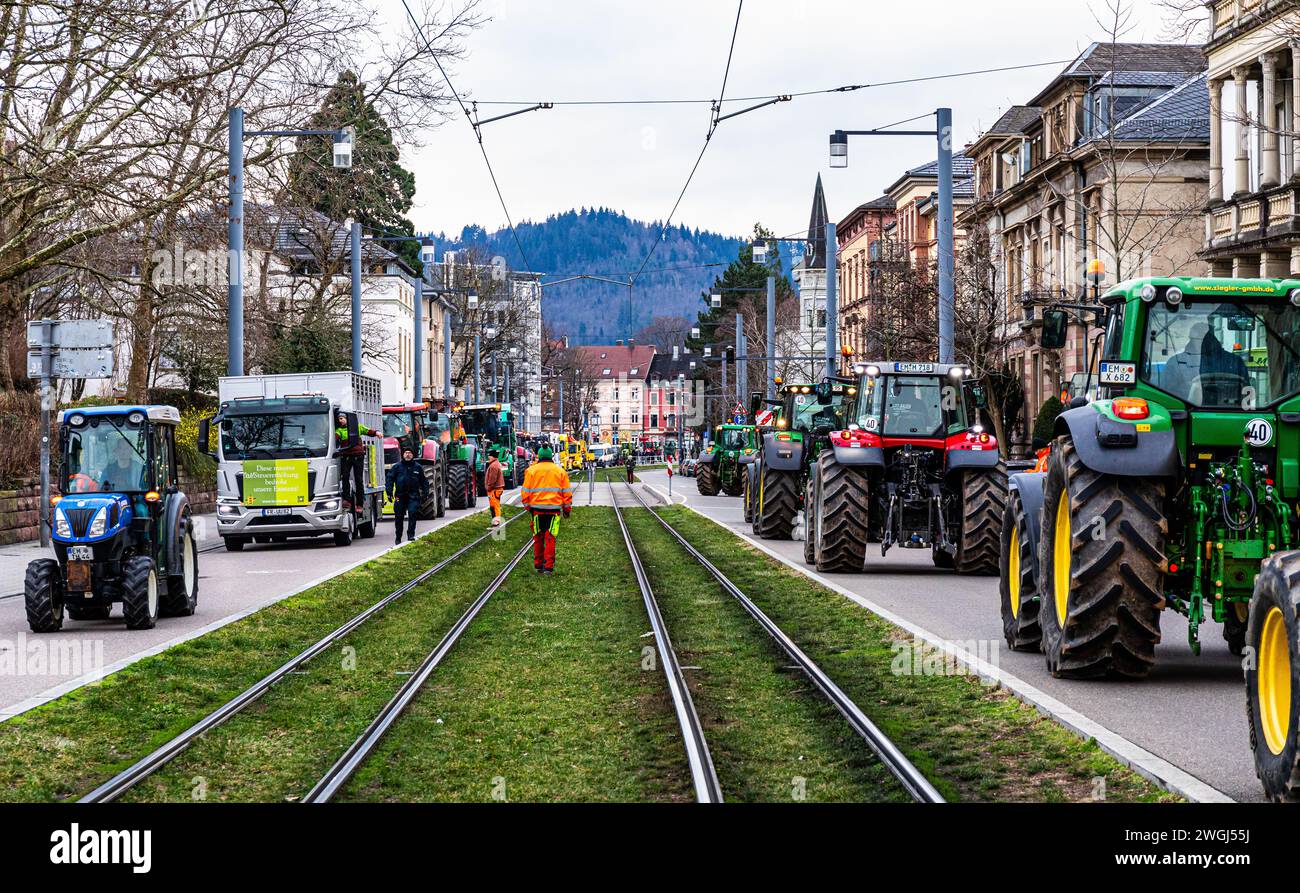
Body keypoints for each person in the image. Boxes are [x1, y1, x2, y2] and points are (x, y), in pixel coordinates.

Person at [1158, 321, 1249, 406]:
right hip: (1186, 412)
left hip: (1230, 412)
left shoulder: (1234, 361)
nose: (1202, 342)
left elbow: (1247, 393)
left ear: (1212, 337)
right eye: (1197, 339)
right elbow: (1165, 395)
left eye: (1204, 337)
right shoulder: (1176, 363)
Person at [520, 445, 572, 575]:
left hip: (536, 510)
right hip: (554, 511)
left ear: (539, 456)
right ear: (551, 456)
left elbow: (525, 492)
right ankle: (548, 567)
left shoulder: (531, 471)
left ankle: (538, 565)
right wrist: (567, 510)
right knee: (550, 537)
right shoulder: (560, 471)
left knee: (538, 537)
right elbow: (566, 493)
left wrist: (528, 507)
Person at [386, 447, 428, 544]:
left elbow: (424, 481)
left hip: (413, 496)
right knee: (399, 517)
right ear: (403, 455)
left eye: (410, 453)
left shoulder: (418, 467)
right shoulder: (397, 467)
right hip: (400, 496)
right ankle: (398, 537)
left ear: (413, 455)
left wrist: (425, 493)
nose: (408, 454)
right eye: (406, 453)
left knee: (413, 513)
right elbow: (389, 479)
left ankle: (410, 535)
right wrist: (389, 492)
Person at [335, 412, 376, 511]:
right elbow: (335, 438)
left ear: (347, 419)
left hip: (358, 456)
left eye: (342, 418)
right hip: (346, 456)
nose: (340, 421)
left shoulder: (357, 427)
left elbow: (368, 431)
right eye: (339, 419)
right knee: (345, 477)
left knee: (358, 479)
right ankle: (347, 500)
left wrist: (376, 433)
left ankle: (360, 504)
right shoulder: (339, 431)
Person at [484, 449, 506, 527]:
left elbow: (492, 479)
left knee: (495, 506)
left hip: (494, 489)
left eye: (489, 455)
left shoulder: (493, 466)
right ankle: (495, 520)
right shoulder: (495, 464)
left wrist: (489, 487)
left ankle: (496, 521)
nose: (488, 457)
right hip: (495, 489)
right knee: (494, 505)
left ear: (493, 456)